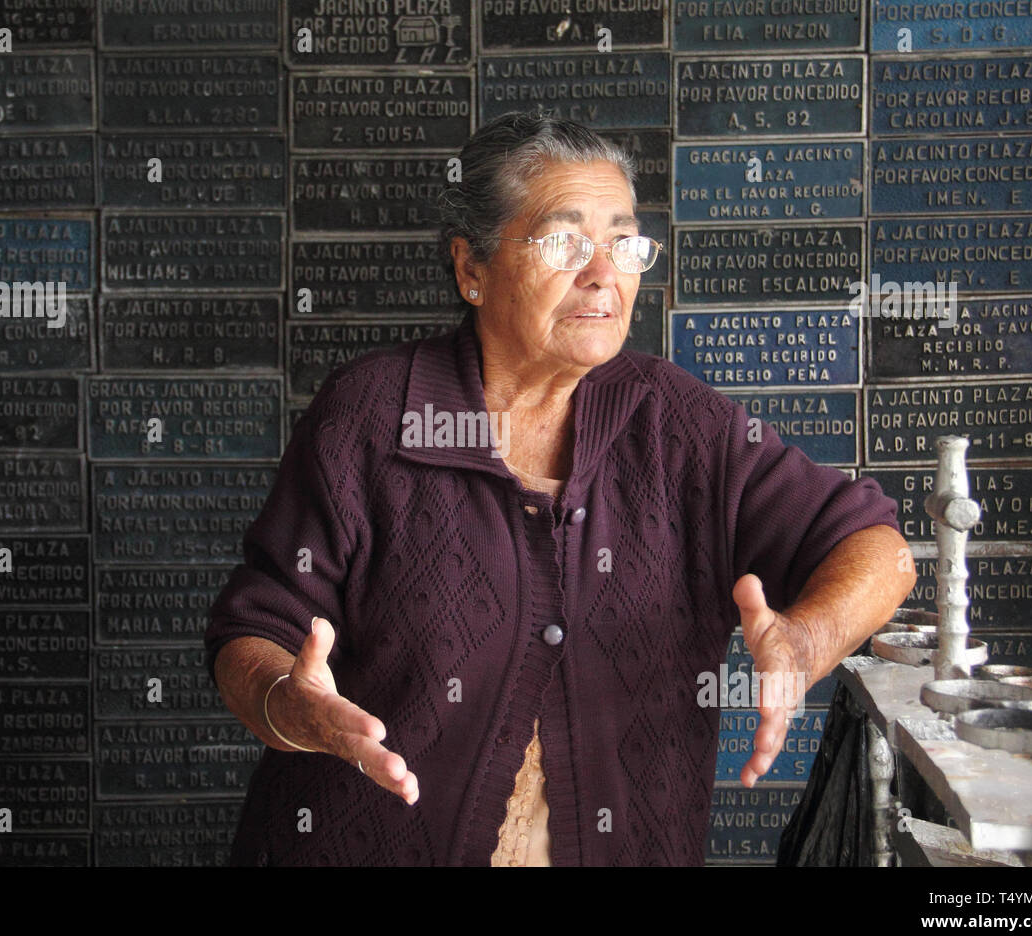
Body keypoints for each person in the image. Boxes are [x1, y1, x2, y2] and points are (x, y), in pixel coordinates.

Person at [204, 110, 916, 866]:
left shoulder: (680, 425)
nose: (604, 273)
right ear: (470, 269)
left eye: (623, 243)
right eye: (565, 241)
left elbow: (877, 547)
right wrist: (289, 703)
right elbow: (254, 629)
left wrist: (803, 642)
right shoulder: (373, 414)